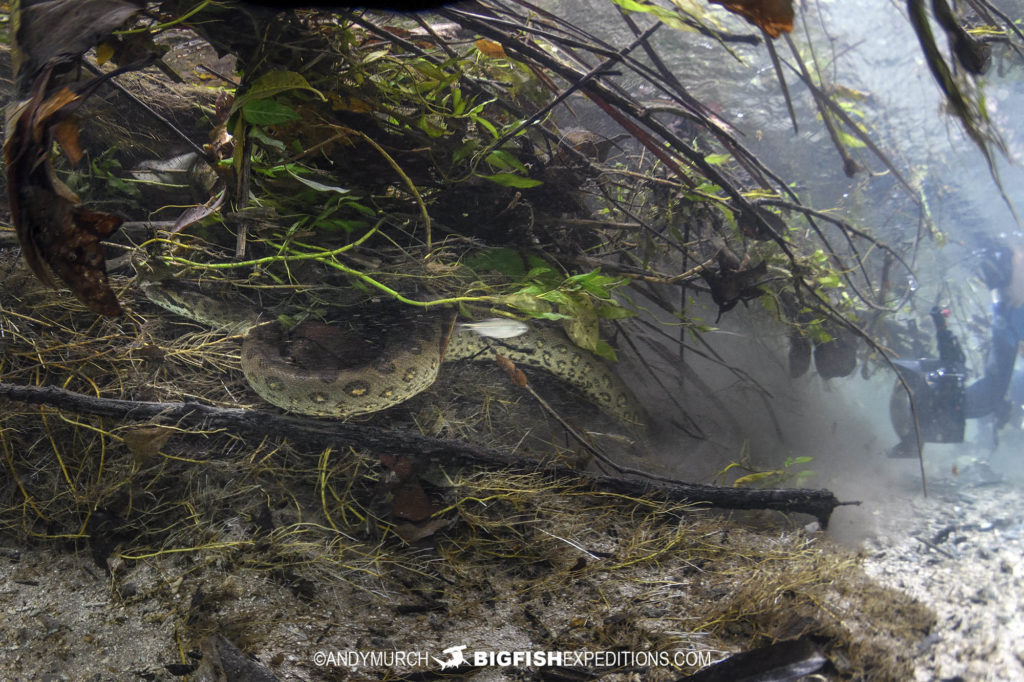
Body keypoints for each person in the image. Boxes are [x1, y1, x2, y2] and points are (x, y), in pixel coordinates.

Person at [964, 237, 1024, 425]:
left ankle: (947, 405)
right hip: (1009, 319)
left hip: (1008, 323)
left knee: (994, 389)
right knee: (994, 389)